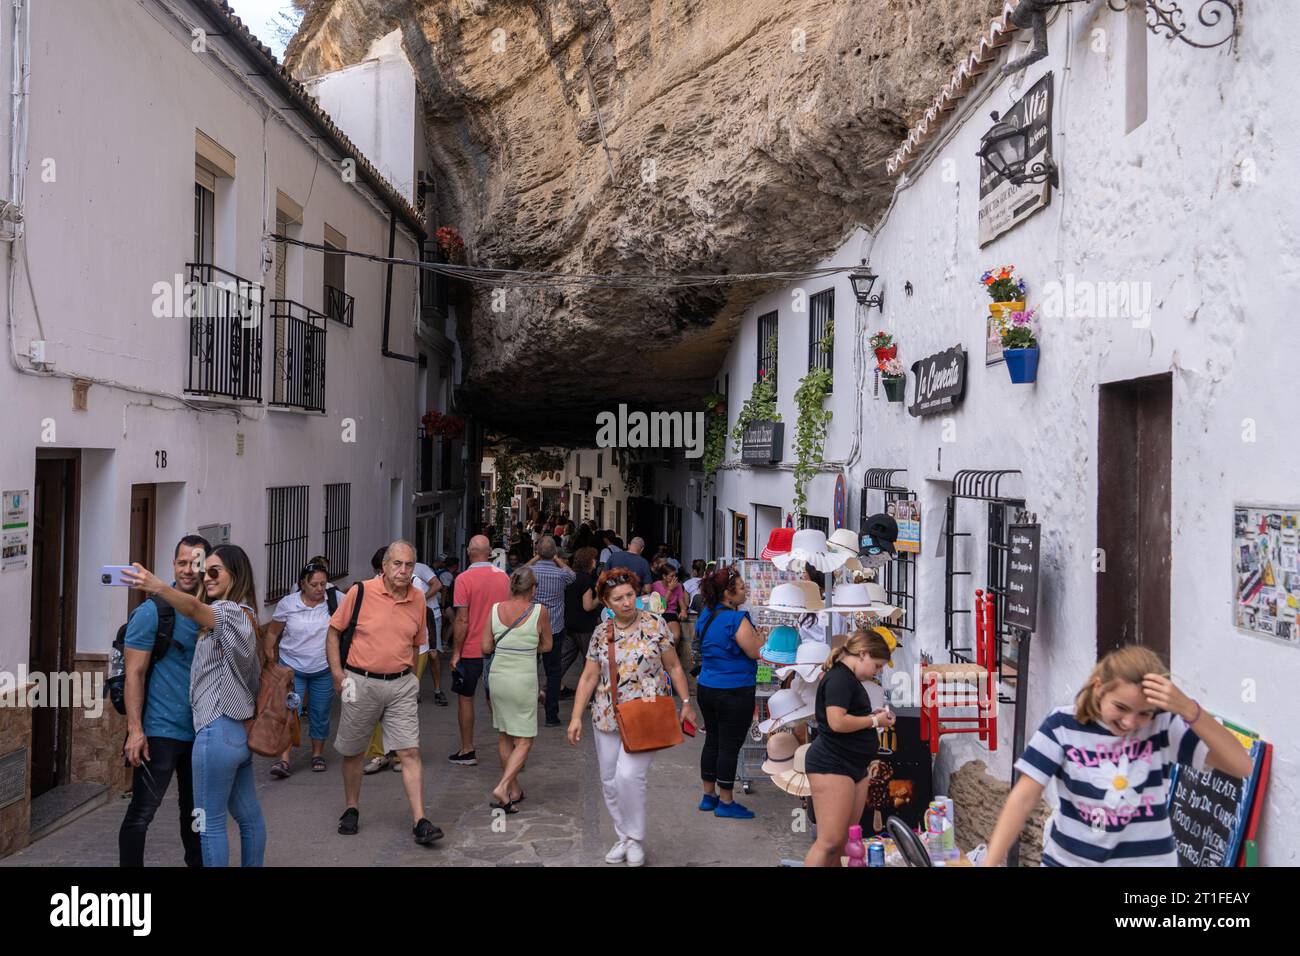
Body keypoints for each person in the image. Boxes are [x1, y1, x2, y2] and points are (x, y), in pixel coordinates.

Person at [981, 645, 1253, 867]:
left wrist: (1189, 710)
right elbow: (1024, 796)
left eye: (1144, 713)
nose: (1129, 722)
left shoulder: (1163, 727)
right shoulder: (1063, 725)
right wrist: (990, 863)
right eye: (1120, 707)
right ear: (1099, 687)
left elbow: (1241, 766)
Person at [122, 545, 266, 867]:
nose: (205, 575)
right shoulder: (247, 615)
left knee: (208, 822)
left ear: (235, 576)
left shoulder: (228, 612)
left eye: (214, 570)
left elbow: (193, 610)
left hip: (215, 733)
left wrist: (157, 586)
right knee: (248, 815)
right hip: (236, 732)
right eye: (205, 569)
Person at [567, 569, 696, 867]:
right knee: (610, 781)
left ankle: (635, 838)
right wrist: (575, 717)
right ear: (606, 603)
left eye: (629, 595)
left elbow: (674, 667)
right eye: (618, 598)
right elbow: (588, 676)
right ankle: (624, 836)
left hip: (648, 712)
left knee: (629, 776)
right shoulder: (602, 633)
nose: (626, 602)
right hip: (607, 714)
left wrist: (686, 702)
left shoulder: (655, 625)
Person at [328, 540, 443, 846]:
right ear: (384, 566)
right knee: (353, 751)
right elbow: (334, 631)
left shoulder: (418, 599)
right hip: (360, 682)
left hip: (401, 684)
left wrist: (412, 679)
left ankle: (420, 821)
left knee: (409, 752)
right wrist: (338, 674)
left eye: (408, 565)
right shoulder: (360, 592)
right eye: (397, 564)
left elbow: (417, 642)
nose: (403, 571)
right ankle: (351, 808)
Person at [118, 534, 210, 868]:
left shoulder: (211, 610)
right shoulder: (152, 612)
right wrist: (135, 730)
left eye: (195, 563)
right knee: (142, 813)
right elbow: (134, 674)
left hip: (203, 731)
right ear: (173, 564)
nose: (188, 570)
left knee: (195, 813)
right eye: (182, 562)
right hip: (160, 731)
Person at [803, 630, 895, 867]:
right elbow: (837, 721)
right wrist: (874, 721)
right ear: (863, 654)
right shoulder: (840, 679)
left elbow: (847, 716)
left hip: (852, 765)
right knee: (829, 842)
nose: (878, 671)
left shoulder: (848, 679)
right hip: (833, 763)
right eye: (877, 665)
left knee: (843, 841)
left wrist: (869, 716)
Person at [481, 566, 552, 812]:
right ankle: (503, 786)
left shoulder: (494, 610)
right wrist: (528, 647)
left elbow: (486, 646)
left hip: (499, 677)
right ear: (533, 588)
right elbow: (548, 645)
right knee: (525, 739)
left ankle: (514, 789)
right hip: (523, 678)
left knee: (505, 735)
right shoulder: (539, 611)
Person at [695, 566, 764, 818]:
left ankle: (708, 795)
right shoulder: (737, 620)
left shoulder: (706, 615)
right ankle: (725, 802)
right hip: (734, 691)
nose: (746, 591)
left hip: (707, 687)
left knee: (712, 740)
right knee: (729, 746)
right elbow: (755, 652)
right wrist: (762, 639)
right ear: (728, 593)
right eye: (742, 588)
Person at [264, 562, 335, 777]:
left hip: (323, 669)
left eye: (323, 583)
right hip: (292, 669)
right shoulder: (288, 604)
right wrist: (270, 658)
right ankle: (283, 760)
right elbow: (272, 634)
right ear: (302, 584)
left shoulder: (334, 601)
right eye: (314, 584)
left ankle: (317, 754)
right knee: (288, 713)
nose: (320, 588)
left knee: (320, 713)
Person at [449, 535, 511, 766]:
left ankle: (467, 749)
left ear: (469, 552)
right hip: (498, 648)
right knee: (497, 700)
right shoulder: (504, 577)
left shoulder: (463, 579)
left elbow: (462, 619)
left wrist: (456, 652)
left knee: (466, 698)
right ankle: (511, 749)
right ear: (490, 554)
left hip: (471, 650)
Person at [527, 536, 576, 727]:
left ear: (538, 551)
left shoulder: (530, 572)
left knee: (528, 670)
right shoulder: (561, 574)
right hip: (554, 628)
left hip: (531, 627)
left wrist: (536, 558)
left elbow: (519, 572)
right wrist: (556, 559)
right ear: (555, 552)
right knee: (553, 673)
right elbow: (572, 574)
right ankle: (551, 715)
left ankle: (527, 714)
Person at [559, 546, 601, 699]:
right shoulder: (586, 580)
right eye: (594, 559)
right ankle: (590, 696)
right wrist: (600, 598)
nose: (596, 562)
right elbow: (588, 606)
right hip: (584, 627)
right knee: (590, 660)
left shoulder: (571, 577)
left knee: (564, 658)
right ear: (589, 561)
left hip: (569, 623)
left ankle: (549, 688)